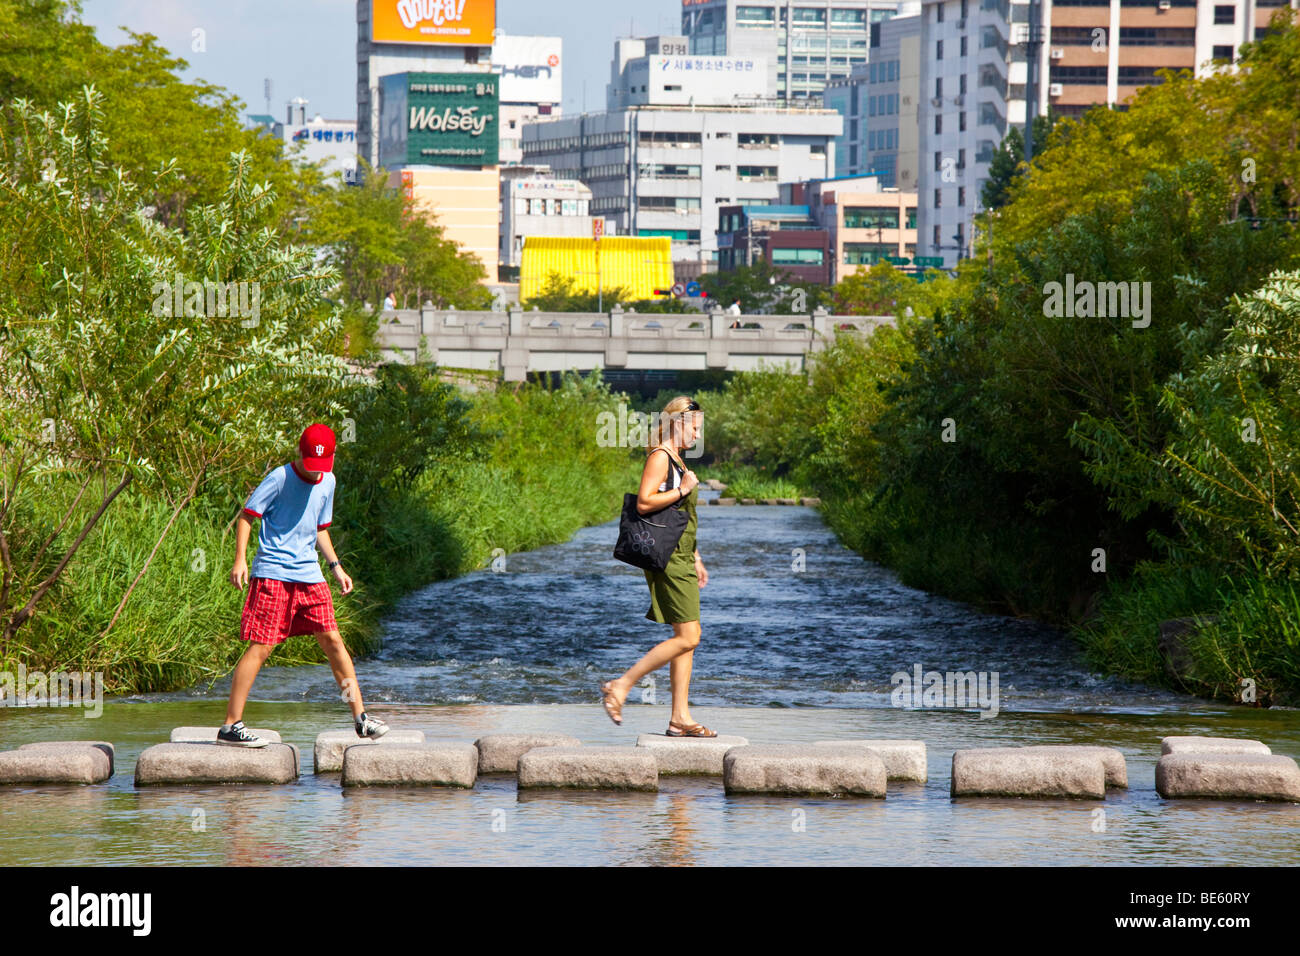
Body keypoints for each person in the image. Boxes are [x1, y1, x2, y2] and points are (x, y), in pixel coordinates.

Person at [218, 423, 389, 747]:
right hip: (273, 574)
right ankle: (230, 725)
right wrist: (240, 559)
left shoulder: (329, 481)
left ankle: (360, 719)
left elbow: (319, 528)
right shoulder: (280, 478)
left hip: (310, 575)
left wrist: (336, 566)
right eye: (311, 464)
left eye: (322, 466)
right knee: (262, 646)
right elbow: (247, 515)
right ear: (300, 453)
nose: (315, 473)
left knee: (333, 641)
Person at [601, 397, 716, 737]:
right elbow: (644, 501)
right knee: (690, 635)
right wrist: (682, 489)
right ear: (677, 422)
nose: (697, 434)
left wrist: (695, 557)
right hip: (668, 561)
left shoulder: (677, 459)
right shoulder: (660, 457)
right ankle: (621, 685)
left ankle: (680, 717)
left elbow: (683, 518)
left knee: (686, 638)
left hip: (682, 557)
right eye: (694, 427)